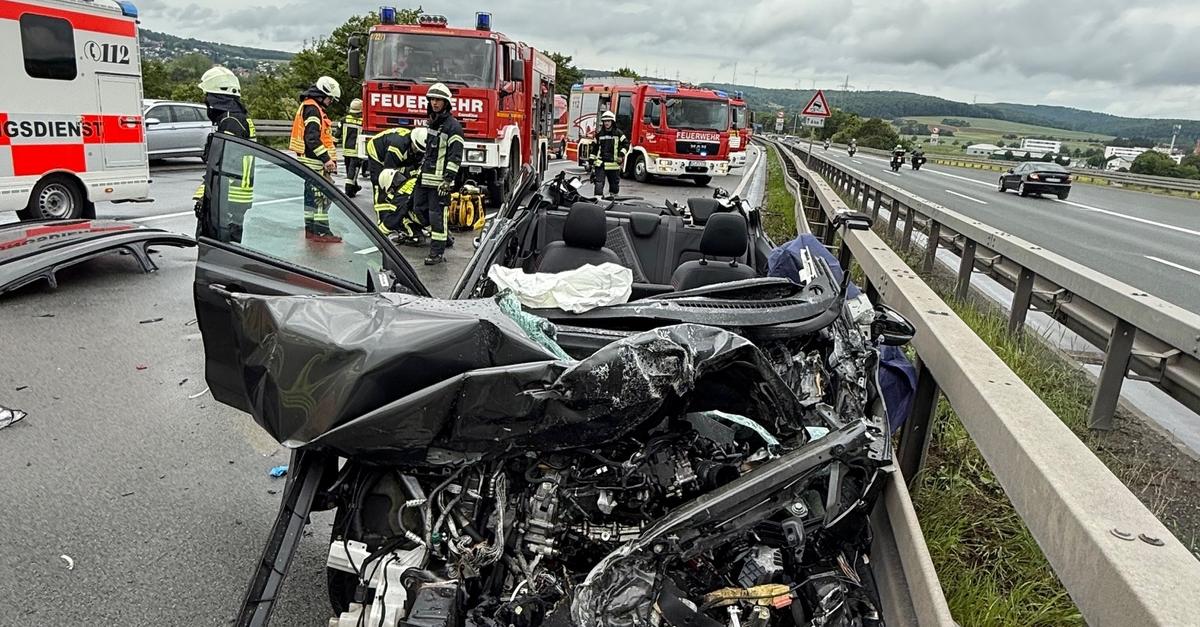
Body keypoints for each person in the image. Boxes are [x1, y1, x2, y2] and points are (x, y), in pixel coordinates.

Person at [192, 66, 256, 243]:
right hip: (238, 192)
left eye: (207, 95)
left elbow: (222, 164)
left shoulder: (230, 121)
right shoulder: (238, 117)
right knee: (231, 243)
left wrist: (206, 197)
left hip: (228, 194)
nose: (205, 101)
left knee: (219, 246)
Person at [414, 82, 464, 266]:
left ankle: (436, 253)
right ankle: (445, 237)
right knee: (418, 209)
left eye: (438, 100)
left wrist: (448, 180)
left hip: (439, 182)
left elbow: (455, 156)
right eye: (432, 99)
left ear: (446, 103)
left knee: (437, 216)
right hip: (424, 177)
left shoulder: (453, 127)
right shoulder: (432, 123)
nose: (435, 103)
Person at [289, 76, 342, 243]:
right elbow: (312, 138)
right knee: (321, 198)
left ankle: (311, 229)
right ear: (322, 95)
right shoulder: (313, 109)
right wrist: (326, 159)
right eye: (330, 98)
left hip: (310, 161)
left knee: (312, 198)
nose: (331, 102)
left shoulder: (310, 107)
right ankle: (321, 232)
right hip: (315, 163)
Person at [365, 126, 427, 240]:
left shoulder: (419, 146)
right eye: (416, 149)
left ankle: (398, 222)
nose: (418, 152)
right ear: (412, 141)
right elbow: (390, 172)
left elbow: (415, 169)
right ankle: (383, 222)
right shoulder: (397, 147)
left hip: (394, 151)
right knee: (381, 186)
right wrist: (397, 196)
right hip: (378, 153)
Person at [592, 110, 628, 198]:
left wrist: (621, 155)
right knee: (599, 184)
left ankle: (613, 201)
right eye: (605, 121)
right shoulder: (599, 134)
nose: (606, 123)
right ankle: (598, 201)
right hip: (601, 164)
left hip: (613, 164)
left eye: (608, 121)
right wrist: (591, 162)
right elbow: (595, 149)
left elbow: (626, 144)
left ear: (612, 121)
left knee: (614, 187)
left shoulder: (619, 133)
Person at [340, 98, 364, 197]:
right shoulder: (363, 122)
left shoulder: (344, 120)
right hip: (357, 151)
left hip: (346, 150)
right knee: (353, 170)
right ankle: (349, 190)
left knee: (349, 169)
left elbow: (337, 134)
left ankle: (354, 186)